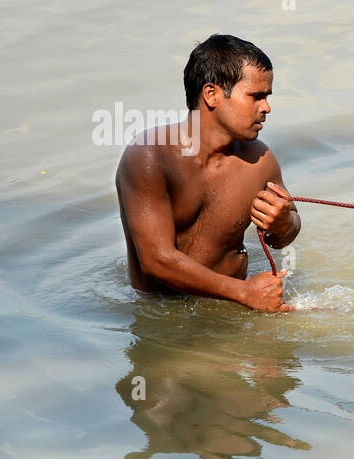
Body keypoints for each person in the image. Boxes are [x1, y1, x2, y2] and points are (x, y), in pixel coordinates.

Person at [115, 34, 299, 311]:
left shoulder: (260, 160)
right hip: (164, 313)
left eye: (267, 97)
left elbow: (285, 232)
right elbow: (156, 261)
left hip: (237, 300)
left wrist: (283, 224)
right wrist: (246, 293)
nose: (267, 108)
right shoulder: (150, 156)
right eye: (256, 97)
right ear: (211, 94)